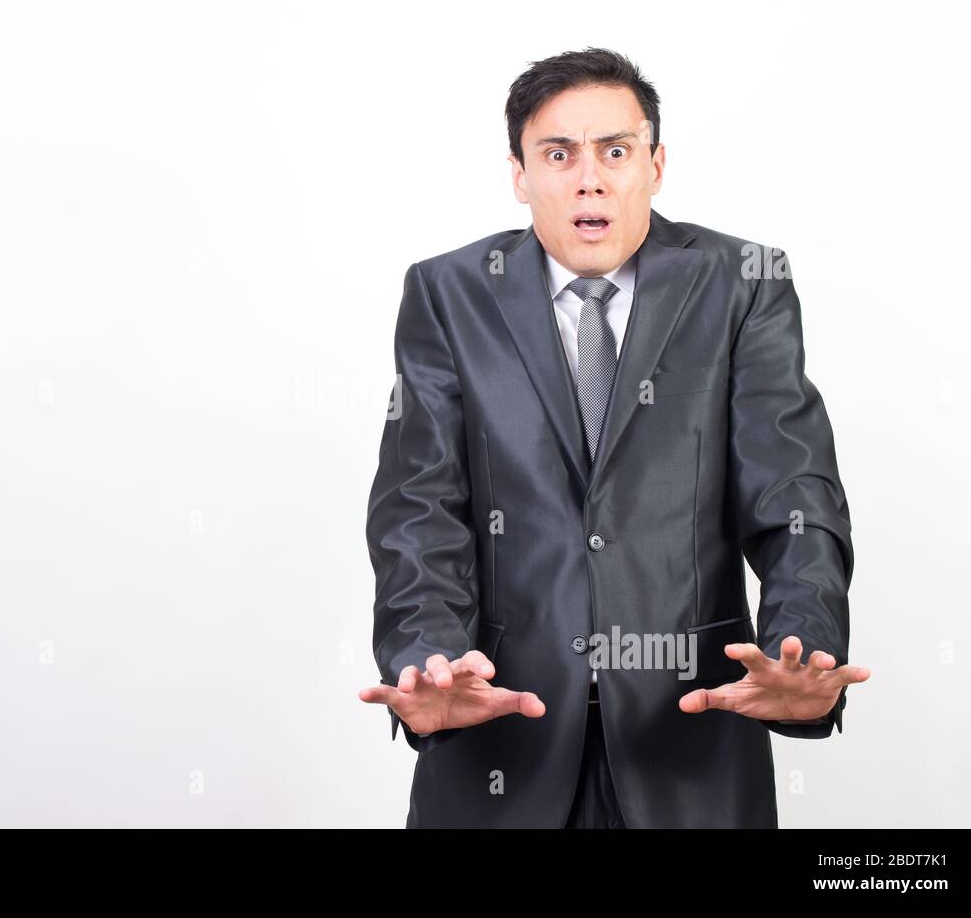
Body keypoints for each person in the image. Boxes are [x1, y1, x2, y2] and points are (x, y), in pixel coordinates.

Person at [359, 48, 871, 828]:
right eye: (558, 154)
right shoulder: (446, 293)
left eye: (616, 151)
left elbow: (792, 489)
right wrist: (427, 655)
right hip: (503, 737)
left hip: (689, 743)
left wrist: (804, 642)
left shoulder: (743, 284)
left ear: (656, 166)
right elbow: (418, 508)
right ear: (519, 173)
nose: (588, 178)